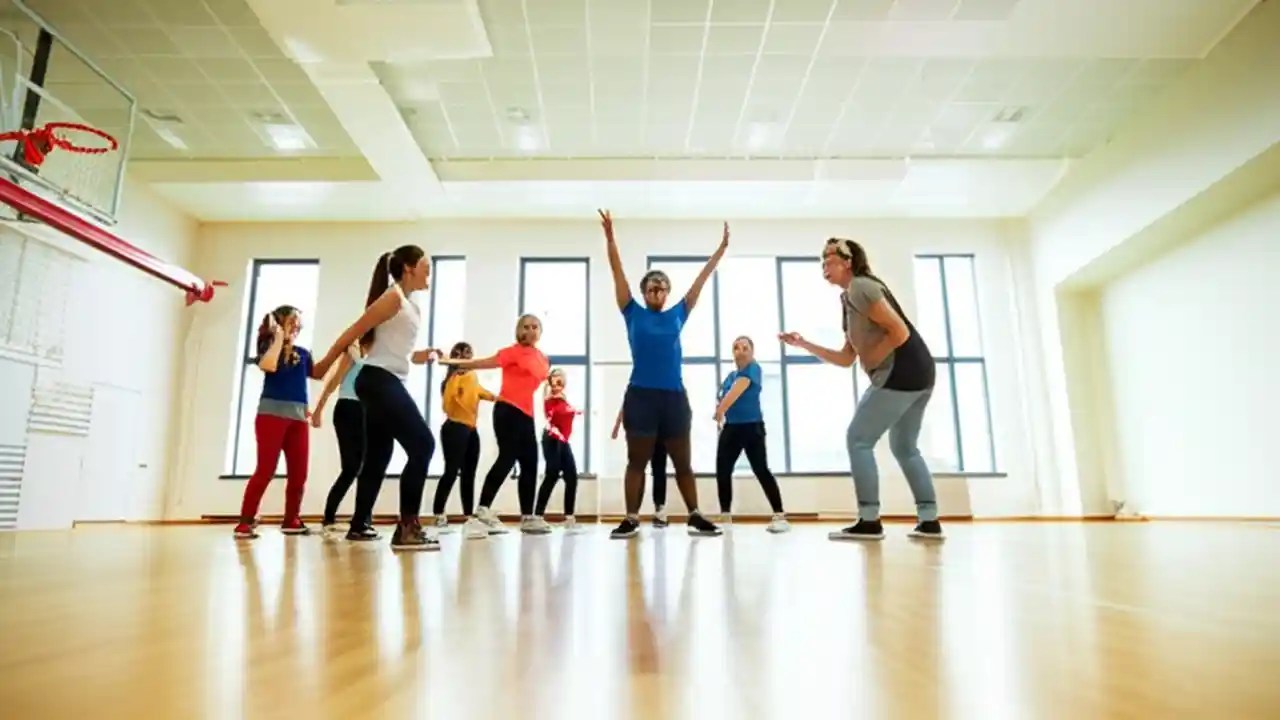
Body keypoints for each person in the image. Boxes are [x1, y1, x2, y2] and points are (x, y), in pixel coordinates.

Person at [778, 237, 944, 540]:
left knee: (858, 438)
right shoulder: (849, 300)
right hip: (920, 373)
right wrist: (803, 344)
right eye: (822, 261)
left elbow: (899, 330)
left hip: (902, 371)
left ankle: (869, 520)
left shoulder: (861, 286)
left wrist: (877, 366)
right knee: (904, 447)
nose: (824, 265)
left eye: (829, 259)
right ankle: (930, 520)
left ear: (848, 261)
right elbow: (845, 359)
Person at [601, 208, 724, 539]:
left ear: (668, 292)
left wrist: (719, 252)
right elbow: (618, 271)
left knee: (683, 463)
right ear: (643, 293)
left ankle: (695, 515)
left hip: (673, 397)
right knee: (636, 462)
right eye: (651, 287)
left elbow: (701, 280)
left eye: (662, 287)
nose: (656, 291)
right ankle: (630, 518)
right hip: (641, 396)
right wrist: (611, 239)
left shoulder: (678, 313)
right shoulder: (631, 311)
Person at [313, 246, 440, 551]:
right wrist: (324, 364)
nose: (428, 273)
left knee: (377, 458)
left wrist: (425, 355)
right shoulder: (393, 296)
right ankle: (408, 527)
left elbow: (397, 350)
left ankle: (359, 525)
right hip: (378, 380)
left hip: (384, 380)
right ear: (409, 268)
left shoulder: (411, 305)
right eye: (425, 266)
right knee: (423, 444)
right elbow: (355, 331)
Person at [437, 314, 551, 537]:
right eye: (525, 327)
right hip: (507, 410)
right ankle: (482, 511)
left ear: (540, 331)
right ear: (519, 331)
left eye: (535, 327)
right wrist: (450, 362)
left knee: (531, 463)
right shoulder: (512, 352)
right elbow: (481, 363)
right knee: (507, 458)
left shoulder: (543, 359)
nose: (530, 330)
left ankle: (528, 516)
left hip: (527, 414)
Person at [234, 305, 326, 539]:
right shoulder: (268, 348)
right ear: (280, 322)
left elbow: (318, 373)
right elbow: (269, 365)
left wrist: (341, 350)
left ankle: (291, 520)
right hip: (271, 417)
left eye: (299, 322)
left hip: (297, 419)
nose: (297, 325)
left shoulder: (303, 353)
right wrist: (277, 337)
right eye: (293, 320)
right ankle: (245, 522)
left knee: (299, 474)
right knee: (265, 470)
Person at [713, 336, 790, 533]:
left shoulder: (753, 369)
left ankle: (780, 515)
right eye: (736, 348)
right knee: (723, 469)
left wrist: (720, 409)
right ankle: (725, 516)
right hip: (732, 428)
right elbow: (723, 394)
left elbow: (737, 390)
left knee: (761, 469)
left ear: (752, 352)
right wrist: (721, 409)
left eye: (745, 347)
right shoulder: (730, 376)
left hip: (751, 427)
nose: (741, 351)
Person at [310, 336, 375, 538]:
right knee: (350, 468)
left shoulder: (375, 358)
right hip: (348, 409)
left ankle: (363, 520)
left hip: (365, 411)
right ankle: (329, 518)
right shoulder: (352, 353)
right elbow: (334, 381)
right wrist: (319, 409)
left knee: (366, 468)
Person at [430, 341, 495, 533]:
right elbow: (447, 405)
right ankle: (439, 513)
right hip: (454, 428)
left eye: (468, 354)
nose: (465, 358)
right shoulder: (454, 379)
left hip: (470, 429)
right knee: (451, 471)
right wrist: (456, 379)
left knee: (469, 474)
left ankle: (468, 516)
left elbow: (481, 392)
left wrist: (498, 398)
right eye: (460, 355)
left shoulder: (471, 377)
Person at [534, 368, 586, 533]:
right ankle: (537, 516)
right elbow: (552, 413)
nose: (557, 386)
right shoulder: (550, 398)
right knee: (552, 474)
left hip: (563, 441)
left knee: (571, 477)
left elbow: (568, 414)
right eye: (554, 382)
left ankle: (569, 518)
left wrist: (577, 410)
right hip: (551, 439)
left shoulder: (563, 399)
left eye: (560, 382)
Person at [611, 407, 668, 527]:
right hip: (640, 431)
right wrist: (617, 424)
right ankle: (633, 512)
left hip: (659, 431)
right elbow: (627, 403)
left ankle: (659, 509)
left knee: (658, 469)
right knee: (638, 469)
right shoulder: (636, 389)